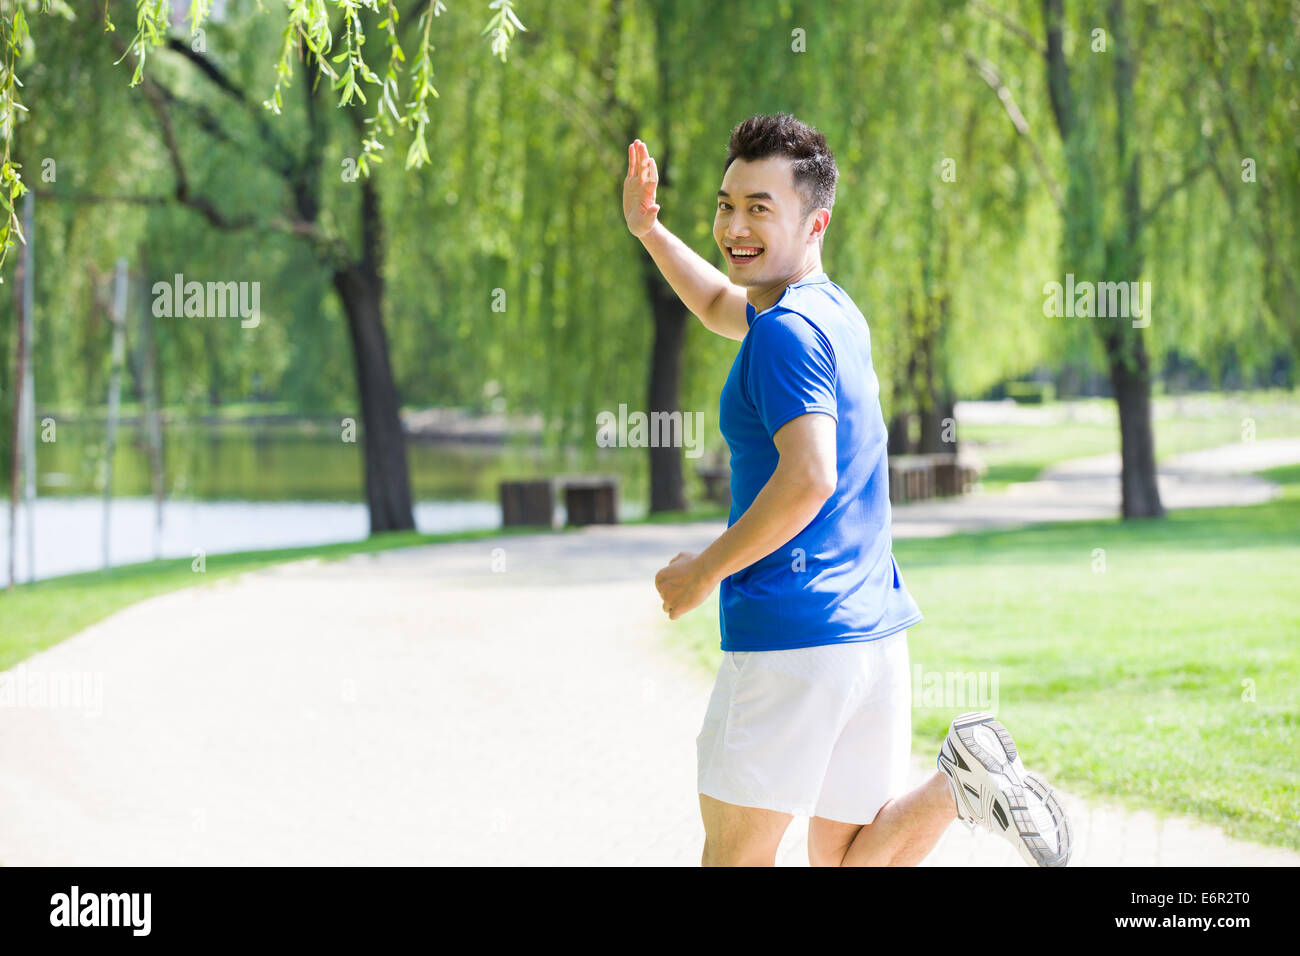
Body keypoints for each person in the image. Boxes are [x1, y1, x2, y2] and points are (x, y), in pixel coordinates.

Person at [624, 113, 1072, 867]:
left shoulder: (782, 334)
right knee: (845, 860)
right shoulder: (828, 313)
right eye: (727, 203)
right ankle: (957, 786)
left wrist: (703, 571)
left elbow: (809, 476)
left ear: (815, 220)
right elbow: (712, 305)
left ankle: (960, 785)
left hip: (789, 642)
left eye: (759, 208)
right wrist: (649, 231)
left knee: (735, 858)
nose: (734, 224)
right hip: (870, 640)